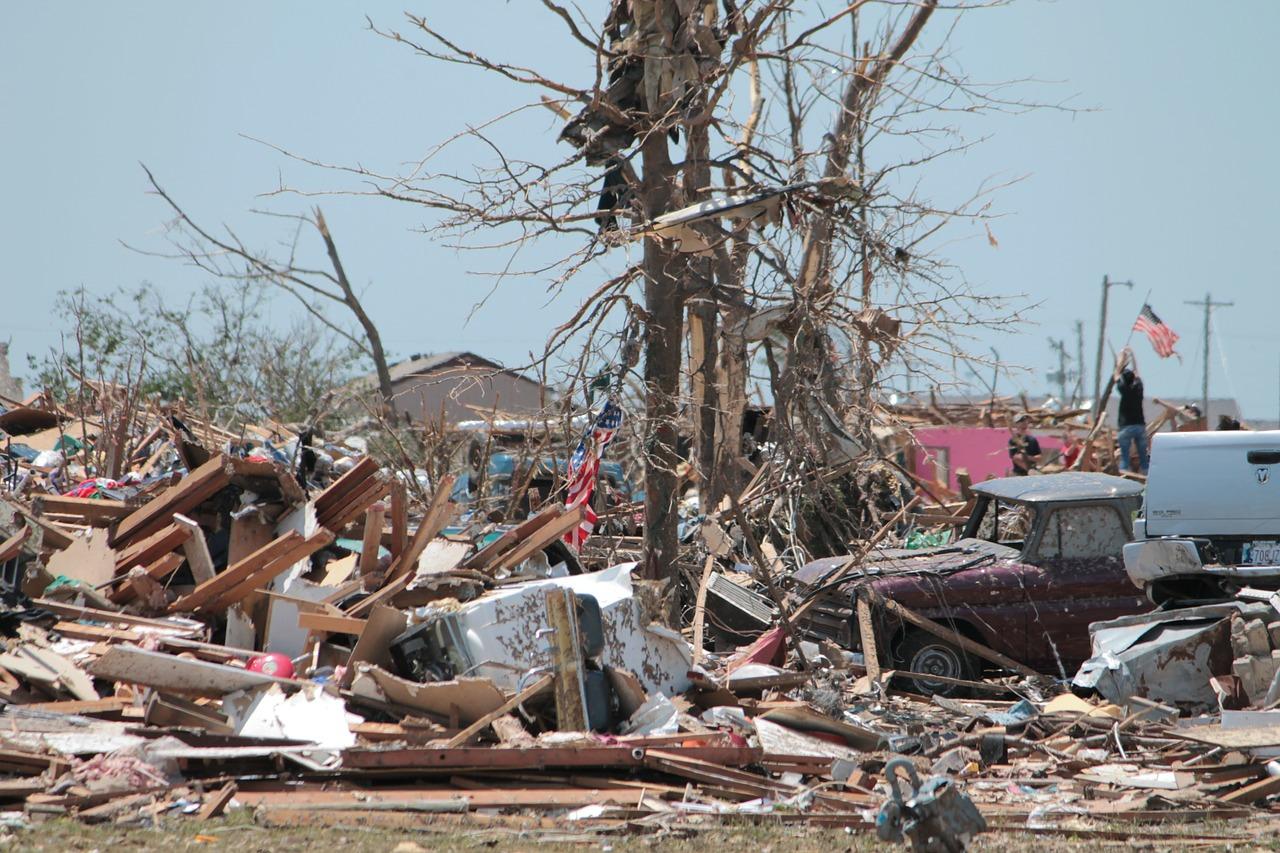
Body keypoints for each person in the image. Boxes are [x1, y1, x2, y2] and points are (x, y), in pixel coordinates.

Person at [1115, 347, 1149, 473]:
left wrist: (1120, 359)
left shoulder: (1123, 389)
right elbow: (1137, 372)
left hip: (1126, 427)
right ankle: (1146, 473)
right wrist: (1133, 355)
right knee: (1143, 457)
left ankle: (1125, 473)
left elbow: (1116, 375)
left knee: (1124, 456)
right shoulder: (1138, 388)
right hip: (1139, 426)